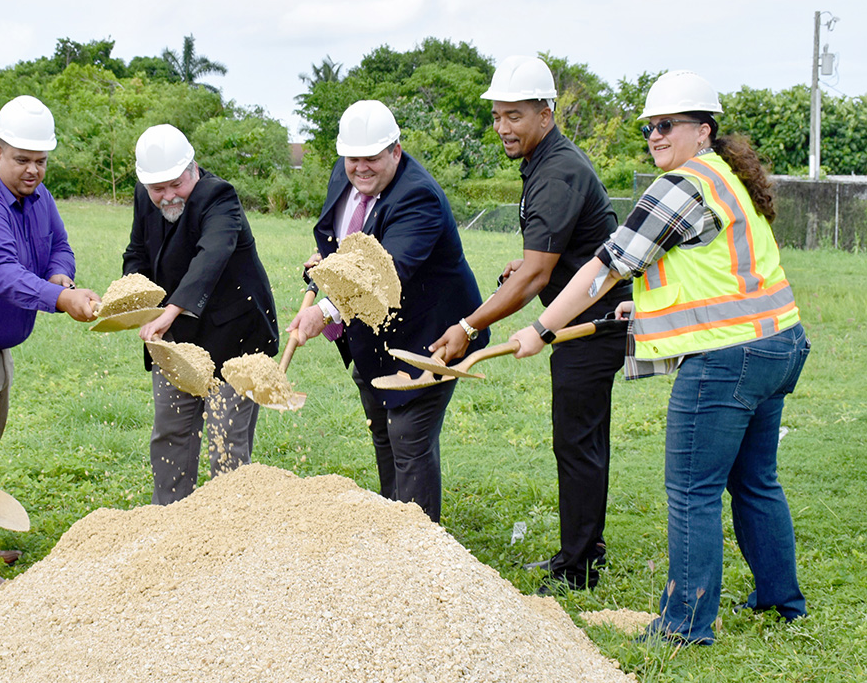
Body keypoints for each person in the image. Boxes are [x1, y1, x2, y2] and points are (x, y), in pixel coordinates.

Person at [511, 70, 809, 645]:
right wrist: (642, 308)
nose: (655, 136)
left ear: (703, 130)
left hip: (728, 359)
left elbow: (604, 267)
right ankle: (780, 602)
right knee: (756, 482)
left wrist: (543, 328)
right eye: (649, 127)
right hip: (778, 343)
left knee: (693, 490)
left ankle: (684, 626)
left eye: (668, 125)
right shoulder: (726, 177)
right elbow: (715, 272)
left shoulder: (680, 186)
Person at [430, 56, 631, 592]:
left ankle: (578, 567)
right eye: (497, 116)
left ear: (546, 114)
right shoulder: (546, 162)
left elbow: (537, 276)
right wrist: (532, 265)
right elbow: (555, 256)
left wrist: (467, 326)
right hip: (581, 311)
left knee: (577, 442)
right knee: (582, 438)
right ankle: (586, 548)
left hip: (589, 323)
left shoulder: (557, 173)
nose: (502, 127)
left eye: (514, 115)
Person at [288, 100, 487, 523]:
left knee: (409, 436)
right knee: (382, 428)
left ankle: (419, 541)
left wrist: (325, 310)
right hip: (373, 334)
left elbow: (385, 273)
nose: (360, 167)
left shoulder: (418, 197)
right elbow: (346, 237)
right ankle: (393, 523)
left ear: (396, 150)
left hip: (429, 334)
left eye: (372, 158)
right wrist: (329, 260)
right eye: (352, 158)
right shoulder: (346, 173)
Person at [0, 95, 99, 591]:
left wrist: (60, 276)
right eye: (22, 159)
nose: (33, 170)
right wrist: (60, 299)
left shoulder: (37, 195)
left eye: (41, 161)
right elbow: (1, 273)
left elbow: (59, 245)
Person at [123, 124, 278, 504]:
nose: (168, 196)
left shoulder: (219, 197)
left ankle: (229, 522)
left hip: (235, 337)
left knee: (226, 440)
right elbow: (137, 252)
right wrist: (135, 297)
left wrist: (170, 311)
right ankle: (170, 516)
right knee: (170, 434)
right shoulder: (146, 196)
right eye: (157, 189)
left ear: (192, 167)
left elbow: (211, 256)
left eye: (176, 184)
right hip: (175, 340)